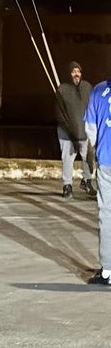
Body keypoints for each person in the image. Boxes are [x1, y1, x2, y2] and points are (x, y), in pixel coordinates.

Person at [84, 76, 111, 285]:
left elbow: (90, 130)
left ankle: (109, 270)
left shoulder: (97, 91)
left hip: (107, 160)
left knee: (107, 214)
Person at [56, 61, 95, 199]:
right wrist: (70, 131)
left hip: (83, 130)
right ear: (69, 74)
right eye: (73, 71)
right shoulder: (62, 90)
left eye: (78, 71)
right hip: (67, 133)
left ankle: (87, 181)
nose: (76, 74)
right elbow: (60, 114)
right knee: (68, 158)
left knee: (88, 157)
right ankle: (67, 185)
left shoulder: (87, 88)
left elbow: (92, 108)